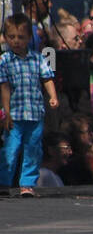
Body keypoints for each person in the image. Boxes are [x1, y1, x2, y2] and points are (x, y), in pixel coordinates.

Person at [0, 12, 58, 192]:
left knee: (32, 150)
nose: (16, 41)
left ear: (29, 38)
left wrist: (53, 96)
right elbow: (4, 87)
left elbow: (47, 78)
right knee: (10, 149)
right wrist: (7, 112)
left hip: (35, 113)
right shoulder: (4, 60)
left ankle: (27, 184)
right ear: (5, 37)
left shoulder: (37, 58)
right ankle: (5, 182)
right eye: (12, 37)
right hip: (15, 115)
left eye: (21, 37)